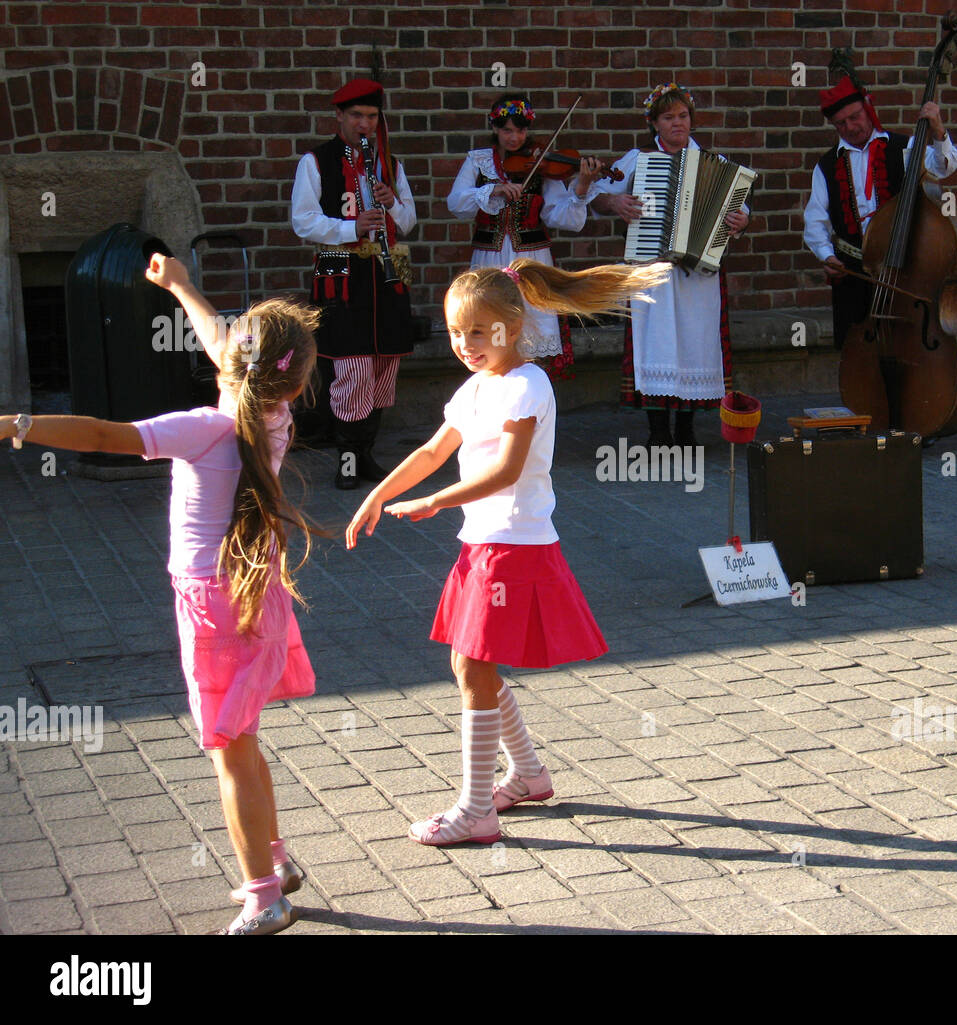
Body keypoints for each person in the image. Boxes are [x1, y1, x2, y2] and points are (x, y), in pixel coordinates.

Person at [3, 253, 321, 935]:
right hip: (255, 592)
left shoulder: (204, 427)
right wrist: (179, 283)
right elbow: (221, 342)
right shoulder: (273, 417)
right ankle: (277, 861)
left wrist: (17, 425)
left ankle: (266, 896)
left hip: (211, 601)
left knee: (228, 749)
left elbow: (98, 434)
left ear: (235, 365)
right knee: (245, 739)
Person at [346, 258, 669, 845]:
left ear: (512, 328)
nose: (465, 344)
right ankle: (528, 775)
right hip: (482, 544)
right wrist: (379, 493)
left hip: (513, 546)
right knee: (472, 665)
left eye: (478, 331)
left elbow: (507, 469)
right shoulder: (475, 388)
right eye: (454, 332)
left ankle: (476, 810)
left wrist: (435, 503)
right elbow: (431, 451)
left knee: (472, 666)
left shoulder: (529, 384)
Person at [585, 83, 750, 448]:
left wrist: (740, 221)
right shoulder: (636, 159)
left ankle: (688, 429)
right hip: (651, 268)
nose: (678, 123)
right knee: (655, 345)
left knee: (694, 343)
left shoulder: (715, 164)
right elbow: (594, 195)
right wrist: (616, 204)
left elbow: (738, 208)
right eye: (668, 117)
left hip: (697, 273)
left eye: (683, 115)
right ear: (654, 124)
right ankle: (658, 430)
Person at [292, 76, 417, 489]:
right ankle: (346, 463)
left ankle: (365, 457)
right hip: (340, 270)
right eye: (357, 116)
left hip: (385, 275)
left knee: (383, 366)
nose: (365, 125)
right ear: (339, 117)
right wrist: (351, 226)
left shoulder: (390, 164)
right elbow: (303, 221)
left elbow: (410, 221)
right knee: (350, 367)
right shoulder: (316, 162)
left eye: (372, 117)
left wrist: (391, 202)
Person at [446, 94, 601, 378]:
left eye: (520, 130)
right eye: (507, 130)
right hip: (488, 260)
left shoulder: (541, 163)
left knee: (532, 327)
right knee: (489, 319)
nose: (515, 137)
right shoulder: (478, 161)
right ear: (495, 128)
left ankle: (533, 395)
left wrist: (580, 189)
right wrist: (490, 191)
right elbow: (456, 203)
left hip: (531, 258)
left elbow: (561, 217)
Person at [802, 75, 957, 351]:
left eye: (855, 117)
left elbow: (943, 167)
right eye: (841, 123)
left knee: (908, 346)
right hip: (854, 275)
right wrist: (826, 255)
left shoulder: (904, 148)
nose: (850, 127)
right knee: (857, 352)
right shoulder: (826, 166)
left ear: (868, 109)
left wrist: (938, 131)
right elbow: (815, 221)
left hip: (904, 270)